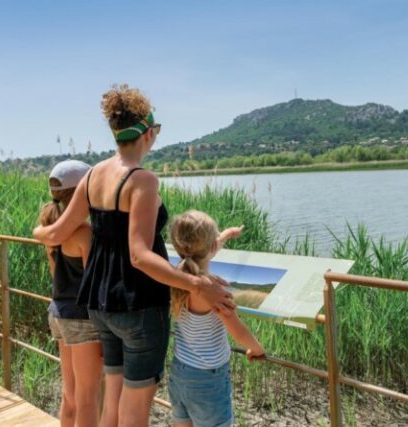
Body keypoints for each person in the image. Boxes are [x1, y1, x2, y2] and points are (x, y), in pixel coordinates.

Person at [33, 84, 235, 427]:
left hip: (99, 303)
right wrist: (199, 284)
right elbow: (140, 255)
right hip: (138, 304)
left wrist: (38, 232)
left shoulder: (94, 174)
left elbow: (54, 232)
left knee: (112, 400)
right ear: (148, 134)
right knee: (135, 406)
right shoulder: (142, 181)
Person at [168, 210, 265, 427]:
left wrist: (226, 236)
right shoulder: (211, 290)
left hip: (180, 371)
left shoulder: (178, 277)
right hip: (208, 378)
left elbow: (203, 250)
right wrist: (257, 349)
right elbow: (237, 330)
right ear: (211, 248)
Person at [37, 159, 102, 427]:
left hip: (59, 313)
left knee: (70, 393)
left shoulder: (49, 230)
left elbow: (56, 275)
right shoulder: (85, 233)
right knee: (88, 397)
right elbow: (93, 286)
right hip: (82, 319)